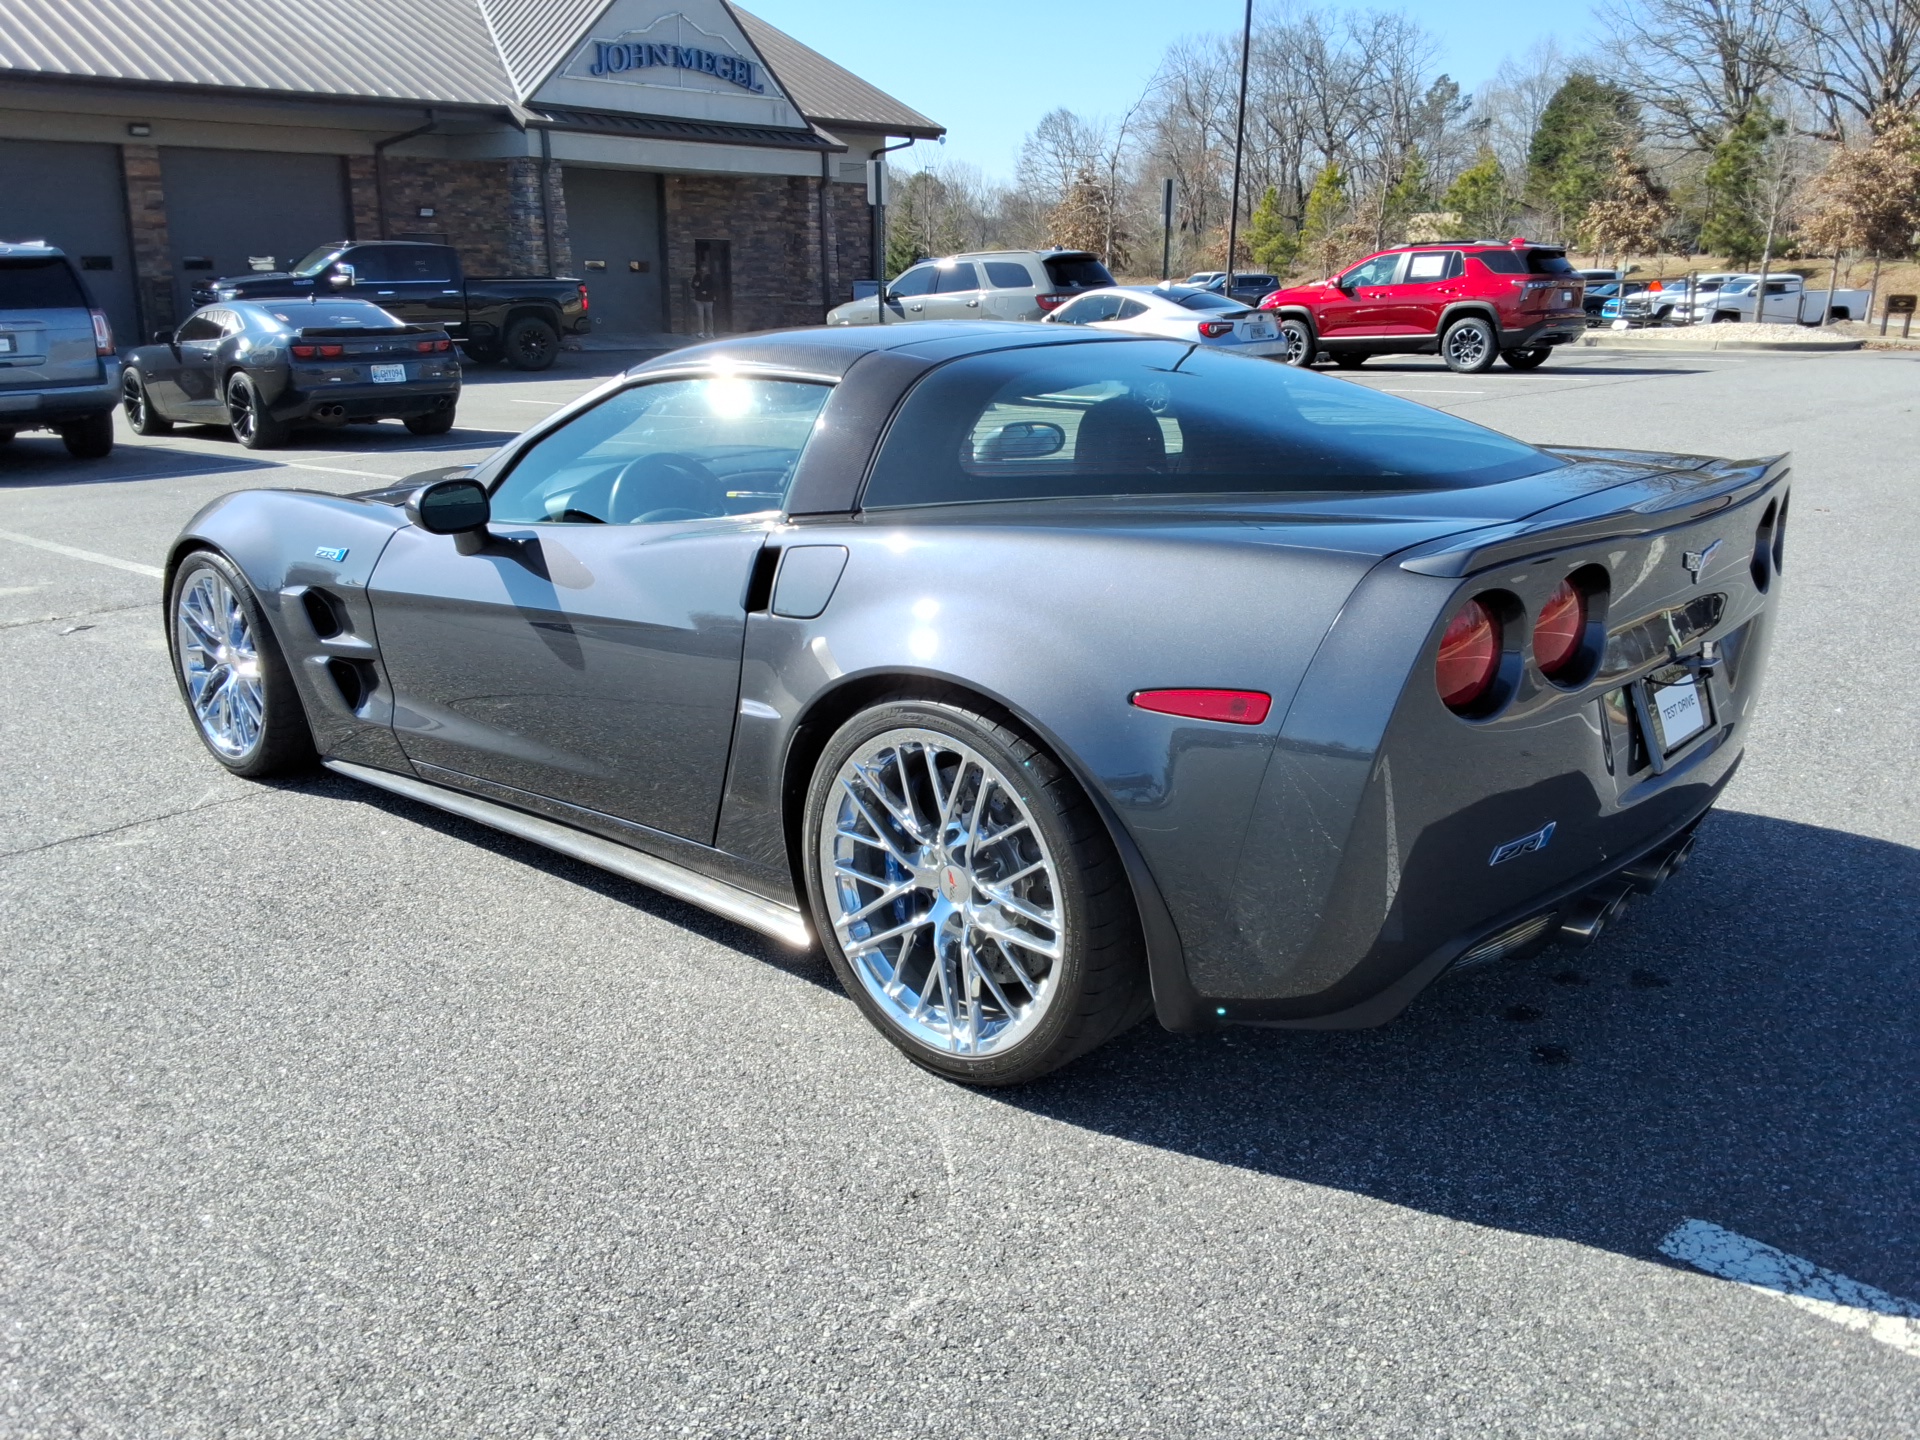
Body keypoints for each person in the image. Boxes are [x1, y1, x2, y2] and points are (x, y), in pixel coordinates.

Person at [691, 260, 717, 339]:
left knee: (709, 316)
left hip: (708, 299)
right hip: (699, 298)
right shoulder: (697, 275)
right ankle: (701, 331)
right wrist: (696, 285)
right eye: (702, 267)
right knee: (700, 316)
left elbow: (714, 287)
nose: (703, 269)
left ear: (707, 268)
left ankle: (710, 332)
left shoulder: (710, 276)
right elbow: (692, 285)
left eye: (704, 267)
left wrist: (708, 293)